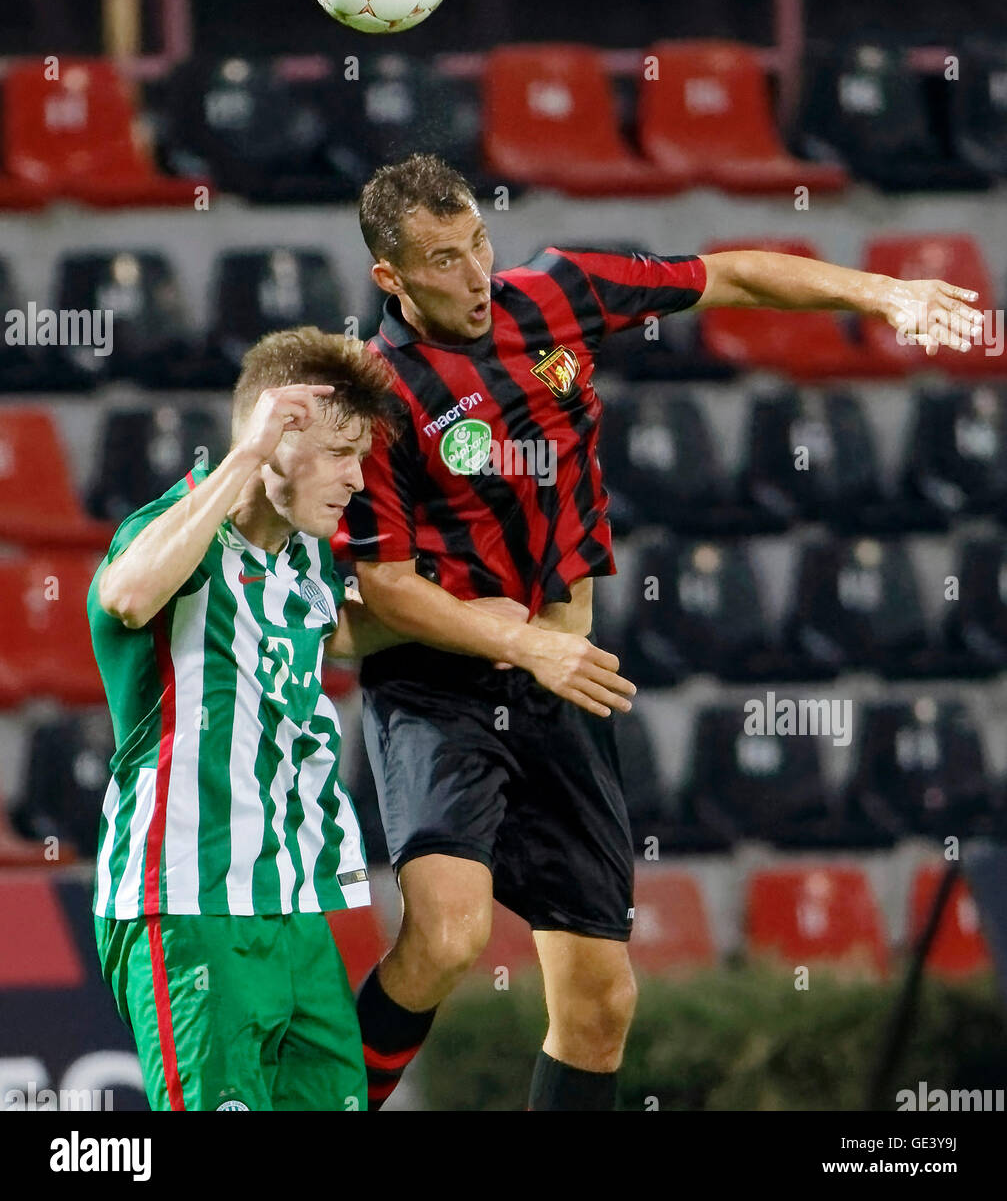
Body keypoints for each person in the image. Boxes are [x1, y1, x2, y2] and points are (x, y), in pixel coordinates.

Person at [336, 153, 984, 1112]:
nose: (474, 274)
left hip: (565, 686)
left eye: (477, 243)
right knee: (445, 938)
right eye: (441, 260)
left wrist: (881, 292)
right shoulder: (375, 392)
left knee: (599, 1007)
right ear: (390, 277)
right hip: (441, 690)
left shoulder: (555, 293)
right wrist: (518, 640)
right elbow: (384, 588)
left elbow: (726, 274)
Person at [89, 326, 515, 1111]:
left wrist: (464, 619)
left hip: (292, 906)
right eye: (339, 452)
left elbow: (330, 627)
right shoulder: (175, 528)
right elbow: (127, 595)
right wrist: (244, 458)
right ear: (274, 435)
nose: (357, 478)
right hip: (188, 901)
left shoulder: (301, 559)